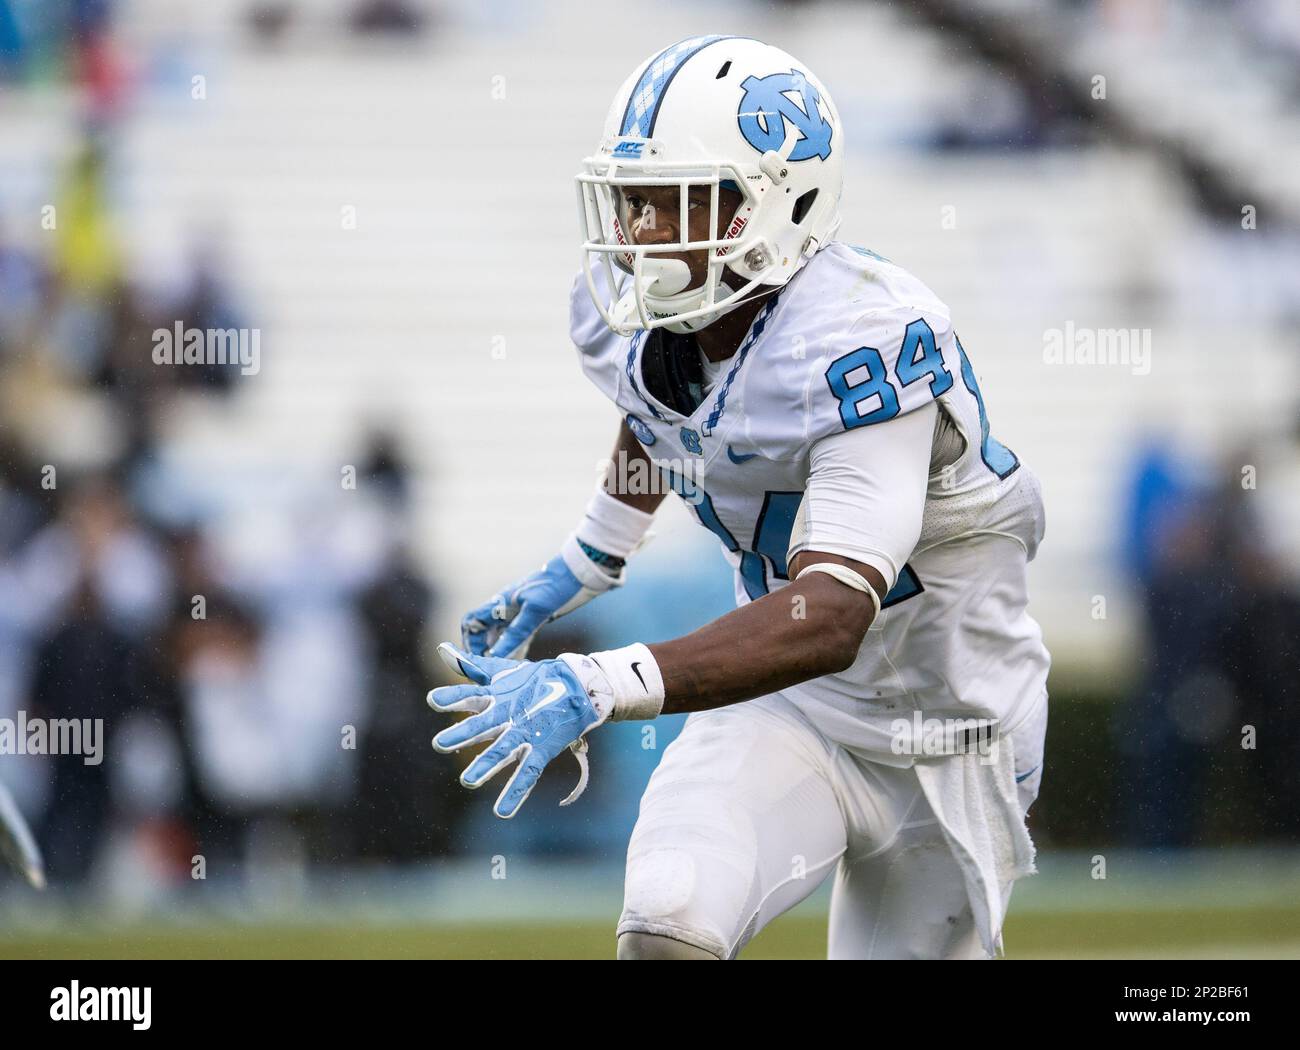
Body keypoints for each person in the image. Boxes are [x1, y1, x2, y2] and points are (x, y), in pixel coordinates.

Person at [428, 36, 1050, 960]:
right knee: (668, 925)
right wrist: (590, 555)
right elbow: (658, 413)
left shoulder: (861, 337)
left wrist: (604, 680)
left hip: (947, 730)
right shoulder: (644, 319)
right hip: (790, 707)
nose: (640, 234)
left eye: (672, 203)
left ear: (773, 207)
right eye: (635, 202)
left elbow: (830, 613)